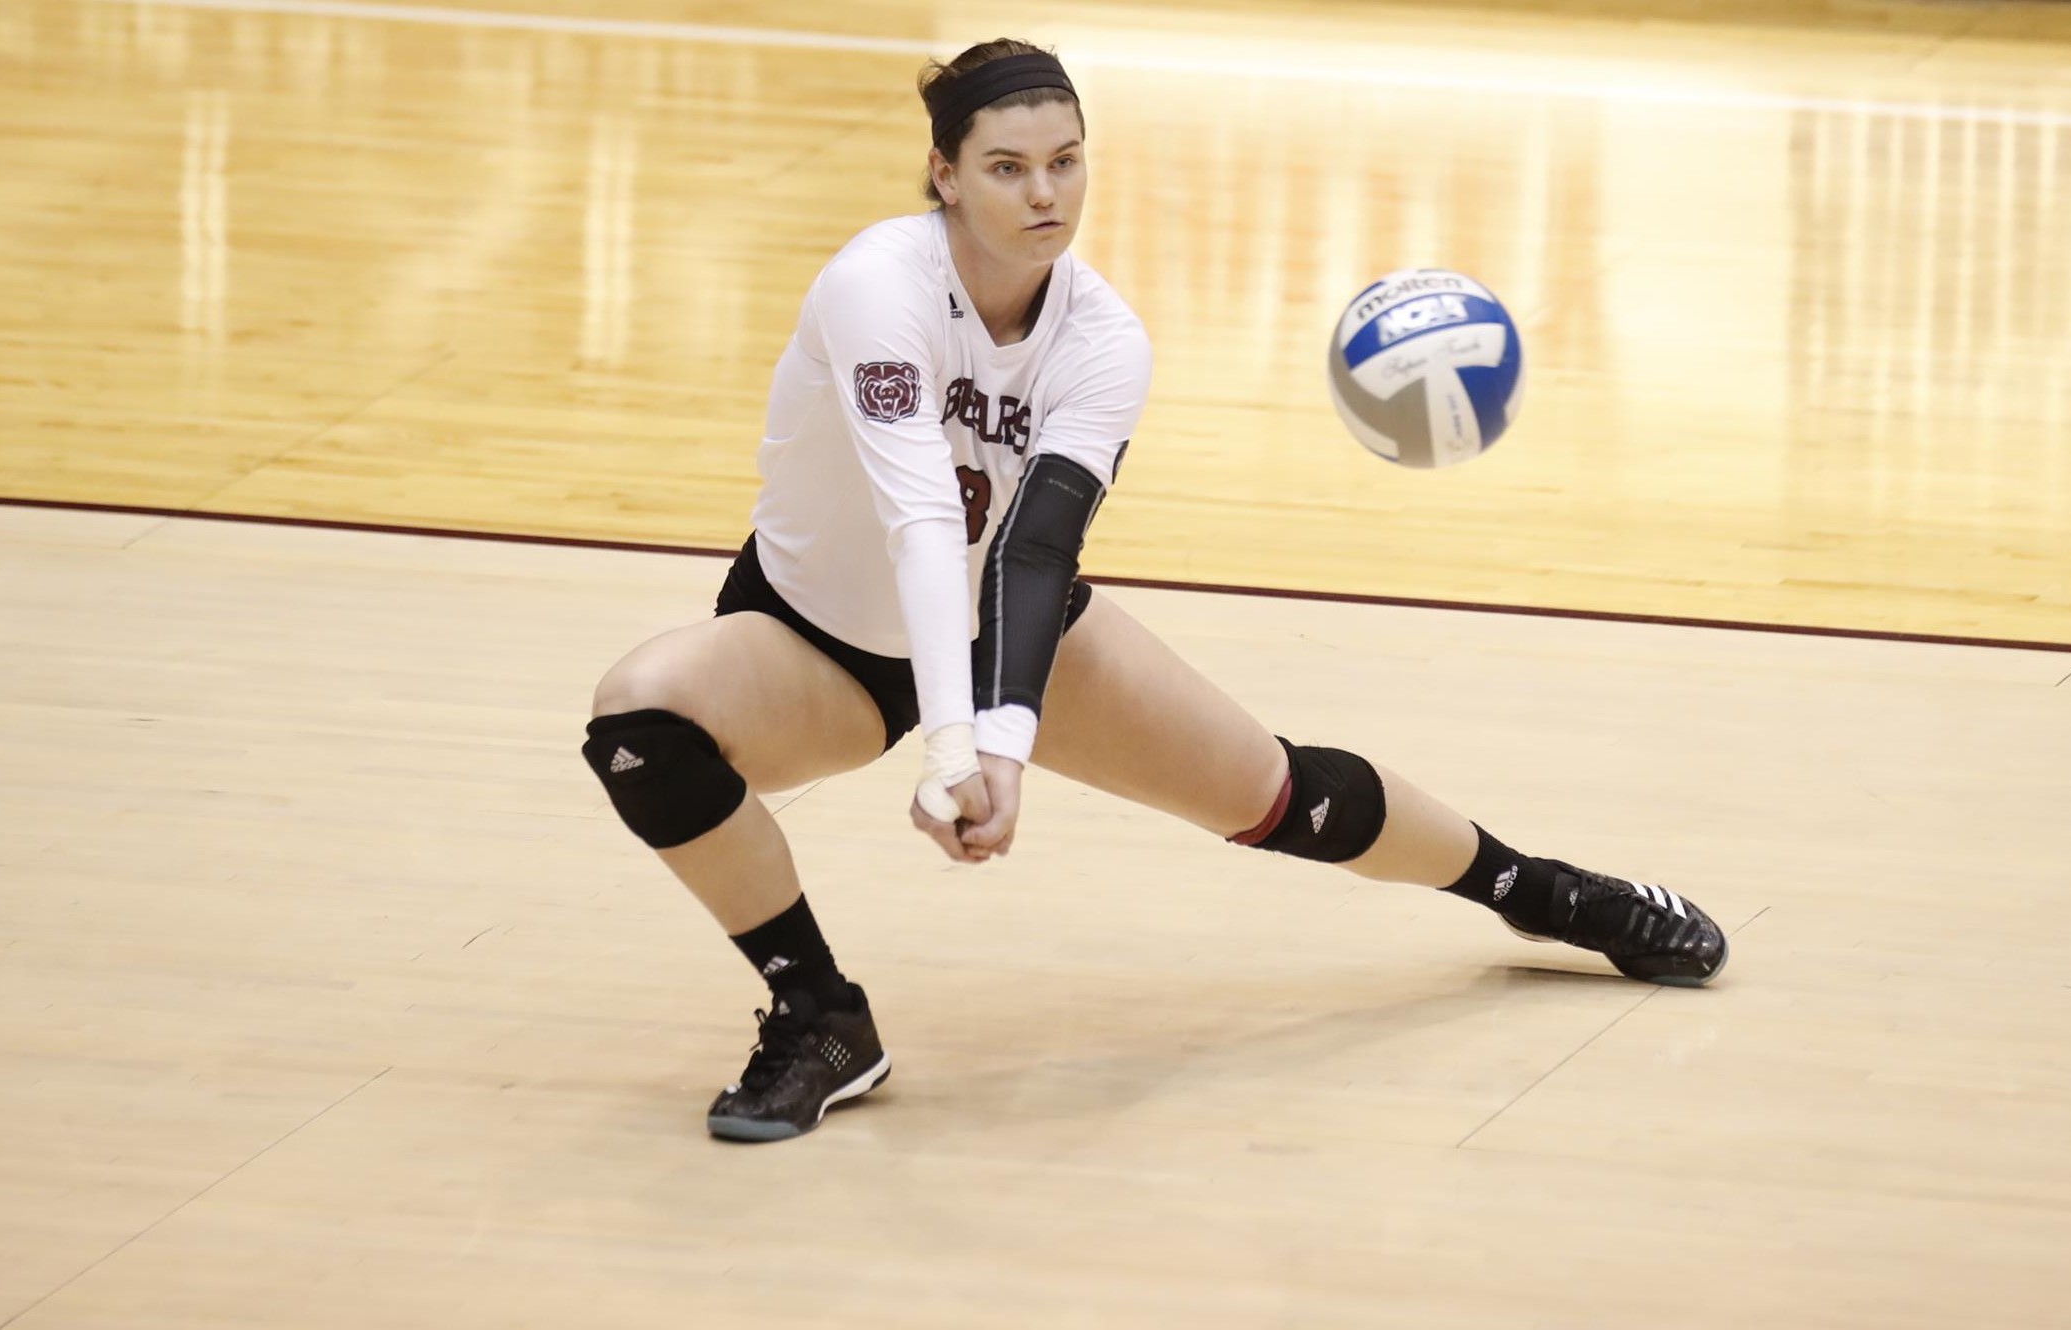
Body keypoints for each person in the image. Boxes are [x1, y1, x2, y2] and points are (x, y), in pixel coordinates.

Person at [582, 39, 1726, 1143]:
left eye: (1065, 161)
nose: (1045, 193)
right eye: (1007, 166)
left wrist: (999, 737)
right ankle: (820, 1018)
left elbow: (1037, 549)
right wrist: (951, 744)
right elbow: (920, 518)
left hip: (1002, 620)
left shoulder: (1103, 339)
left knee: (1281, 795)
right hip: (814, 639)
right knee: (642, 717)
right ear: (945, 173)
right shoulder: (877, 284)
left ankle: (1544, 892)